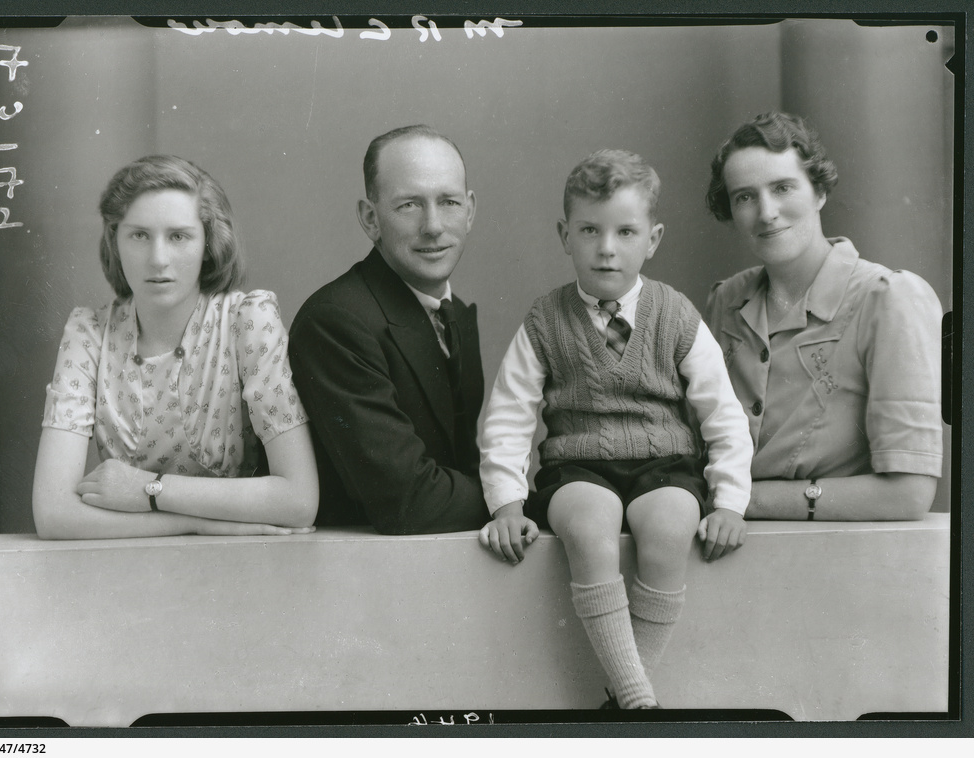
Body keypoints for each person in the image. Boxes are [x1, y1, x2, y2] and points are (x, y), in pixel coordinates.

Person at [478, 149, 753, 709]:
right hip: (576, 467)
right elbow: (508, 416)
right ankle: (638, 704)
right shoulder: (544, 320)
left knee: (672, 526)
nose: (607, 248)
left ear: (651, 240)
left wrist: (730, 502)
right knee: (587, 526)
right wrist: (506, 503)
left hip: (664, 465)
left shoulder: (674, 314)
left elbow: (721, 412)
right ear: (565, 235)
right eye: (590, 230)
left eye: (626, 232)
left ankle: (623, 700)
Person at [33, 155, 319, 539]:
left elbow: (299, 500)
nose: (158, 259)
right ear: (115, 242)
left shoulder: (247, 321)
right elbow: (53, 514)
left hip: (240, 563)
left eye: (179, 236)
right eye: (139, 235)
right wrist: (197, 523)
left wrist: (146, 491)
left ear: (208, 244)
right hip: (126, 562)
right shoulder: (89, 334)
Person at [704, 112, 942, 520]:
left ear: (818, 192)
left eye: (782, 187)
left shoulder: (890, 298)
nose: (767, 212)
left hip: (841, 554)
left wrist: (746, 501)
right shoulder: (727, 300)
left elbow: (909, 493)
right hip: (725, 547)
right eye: (744, 196)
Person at [288, 125, 487, 534]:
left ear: (469, 211)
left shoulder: (456, 312)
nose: (433, 226)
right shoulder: (335, 321)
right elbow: (407, 502)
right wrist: (516, 499)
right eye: (409, 205)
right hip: (356, 574)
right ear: (369, 218)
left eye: (448, 202)